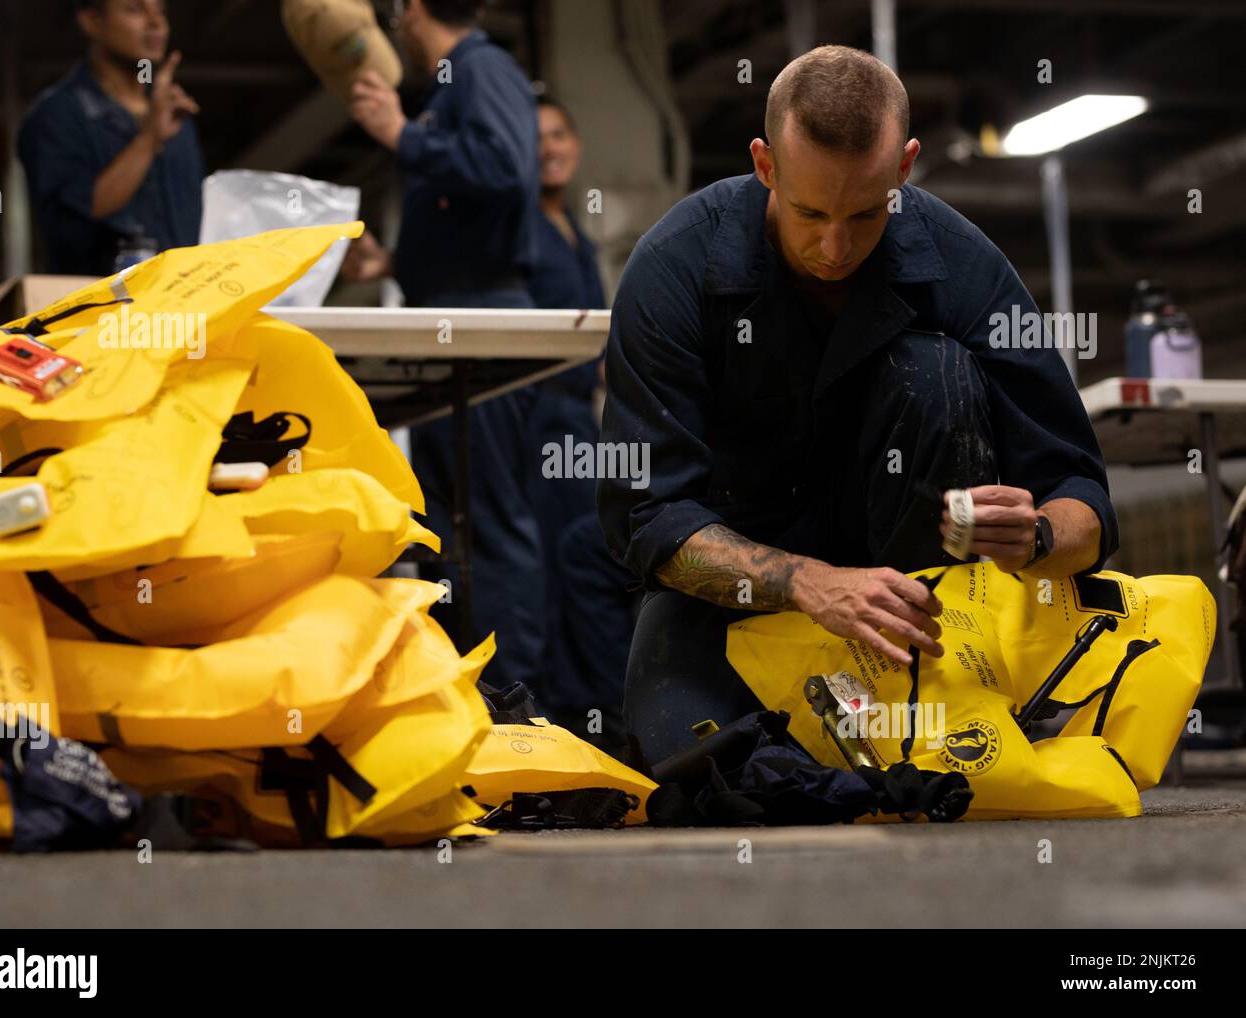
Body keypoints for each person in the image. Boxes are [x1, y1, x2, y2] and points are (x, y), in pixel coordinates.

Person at [597, 46, 1119, 764]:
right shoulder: (673, 269)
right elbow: (648, 518)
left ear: (904, 167)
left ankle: (932, 692)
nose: (835, 246)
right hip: (735, 609)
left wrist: (1034, 537)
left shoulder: (965, 265)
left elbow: (1084, 500)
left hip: (920, 619)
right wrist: (807, 582)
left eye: (865, 214)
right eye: (810, 213)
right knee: (707, 777)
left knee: (934, 370)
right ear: (765, 163)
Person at [346, 0, 543, 689]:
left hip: (481, 317)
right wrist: (393, 263)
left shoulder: (480, 68)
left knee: (487, 521)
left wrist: (403, 135)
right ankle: (463, 697)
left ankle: (517, 707)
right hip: (446, 313)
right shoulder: (449, 84)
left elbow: (505, 170)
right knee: (451, 527)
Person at [526, 96, 633, 746]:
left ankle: (602, 716)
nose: (550, 148)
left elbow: (599, 354)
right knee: (551, 570)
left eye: (559, 134)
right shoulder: (521, 231)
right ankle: (565, 716)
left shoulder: (578, 234)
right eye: (535, 138)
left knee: (588, 555)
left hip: (580, 424)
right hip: (538, 419)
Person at [18, 0, 203, 277]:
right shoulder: (57, 116)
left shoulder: (176, 116)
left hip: (181, 306)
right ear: (92, 21)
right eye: (134, 9)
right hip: (99, 311)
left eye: (160, 11)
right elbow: (84, 212)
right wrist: (149, 137)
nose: (156, 23)